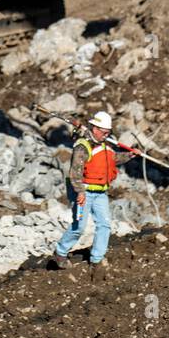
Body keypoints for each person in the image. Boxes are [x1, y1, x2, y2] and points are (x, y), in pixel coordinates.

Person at [48, 110, 139, 275]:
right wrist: (80, 192)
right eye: (104, 132)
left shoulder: (105, 145)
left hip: (100, 193)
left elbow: (112, 159)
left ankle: (97, 260)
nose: (106, 135)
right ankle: (61, 253)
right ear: (95, 128)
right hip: (84, 191)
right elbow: (75, 172)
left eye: (108, 132)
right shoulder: (83, 146)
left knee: (104, 225)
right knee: (79, 227)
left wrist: (130, 155)